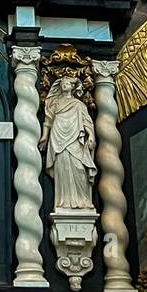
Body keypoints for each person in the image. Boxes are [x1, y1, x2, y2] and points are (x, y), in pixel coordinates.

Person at [39, 76, 97, 211]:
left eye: (67, 83)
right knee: (63, 168)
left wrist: (91, 135)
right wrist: (44, 136)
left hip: (75, 137)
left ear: (72, 87)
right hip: (58, 137)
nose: (65, 85)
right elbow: (48, 121)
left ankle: (82, 200)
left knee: (78, 167)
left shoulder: (79, 104)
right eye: (63, 83)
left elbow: (86, 121)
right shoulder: (55, 103)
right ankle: (63, 202)